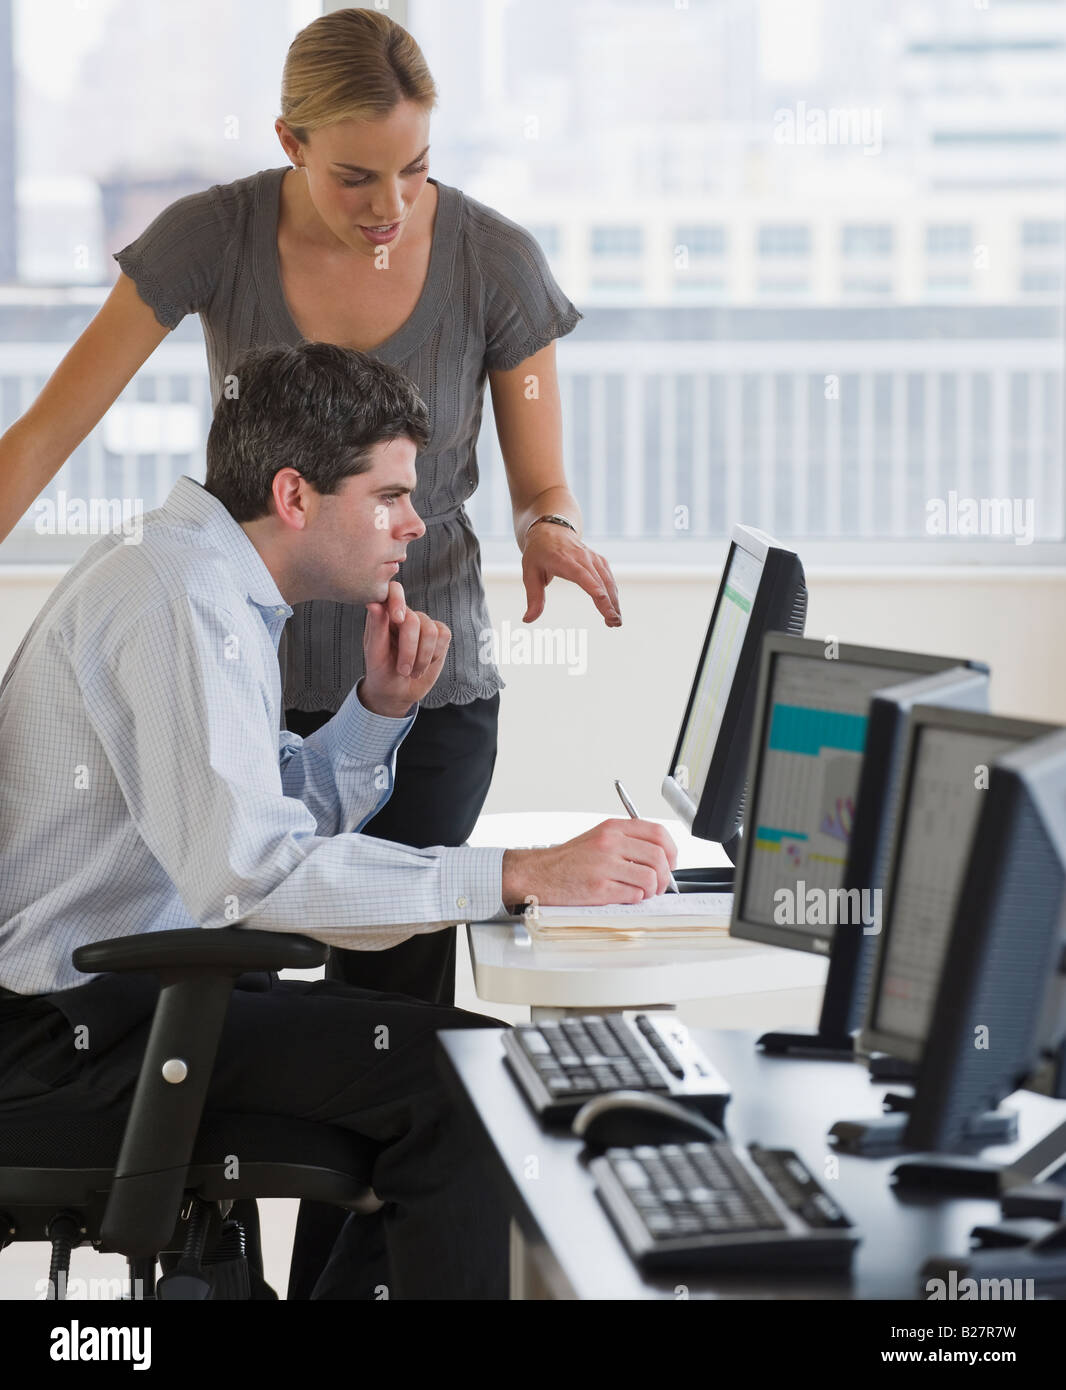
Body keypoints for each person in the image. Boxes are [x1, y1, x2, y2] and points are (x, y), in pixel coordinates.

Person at [0, 342, 676, 1300]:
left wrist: (378, 709)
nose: (416, 522)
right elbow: (255, 876)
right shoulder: (179, 599)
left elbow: (259, 818)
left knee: (465, 1067)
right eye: (390, 495)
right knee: (477, 1090)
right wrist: (519, 874)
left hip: (135, 1002)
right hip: (68, 1036)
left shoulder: (195, 578)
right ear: (293, 496)